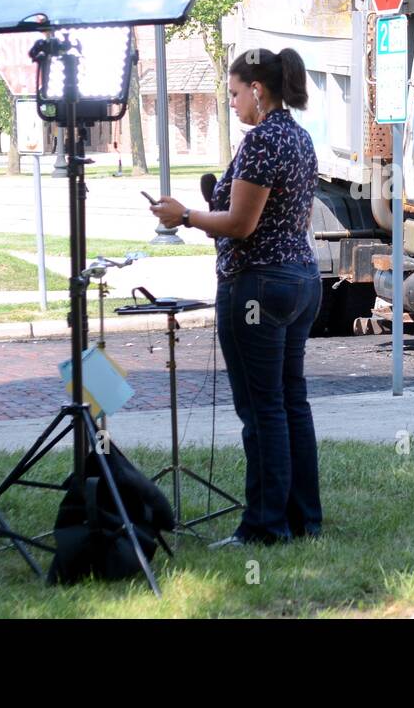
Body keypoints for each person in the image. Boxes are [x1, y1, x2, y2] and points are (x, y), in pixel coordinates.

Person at [150, 47, 322, 547]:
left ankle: (264, 528)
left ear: (257, 90)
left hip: (257, 285)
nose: (232, 103)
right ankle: (303, 519)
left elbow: (242, 224)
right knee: (291, 402)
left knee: (261, 408)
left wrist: (184, 216)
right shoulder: (299, 137)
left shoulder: (263, 140)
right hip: (300, 280)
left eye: (233, 93)